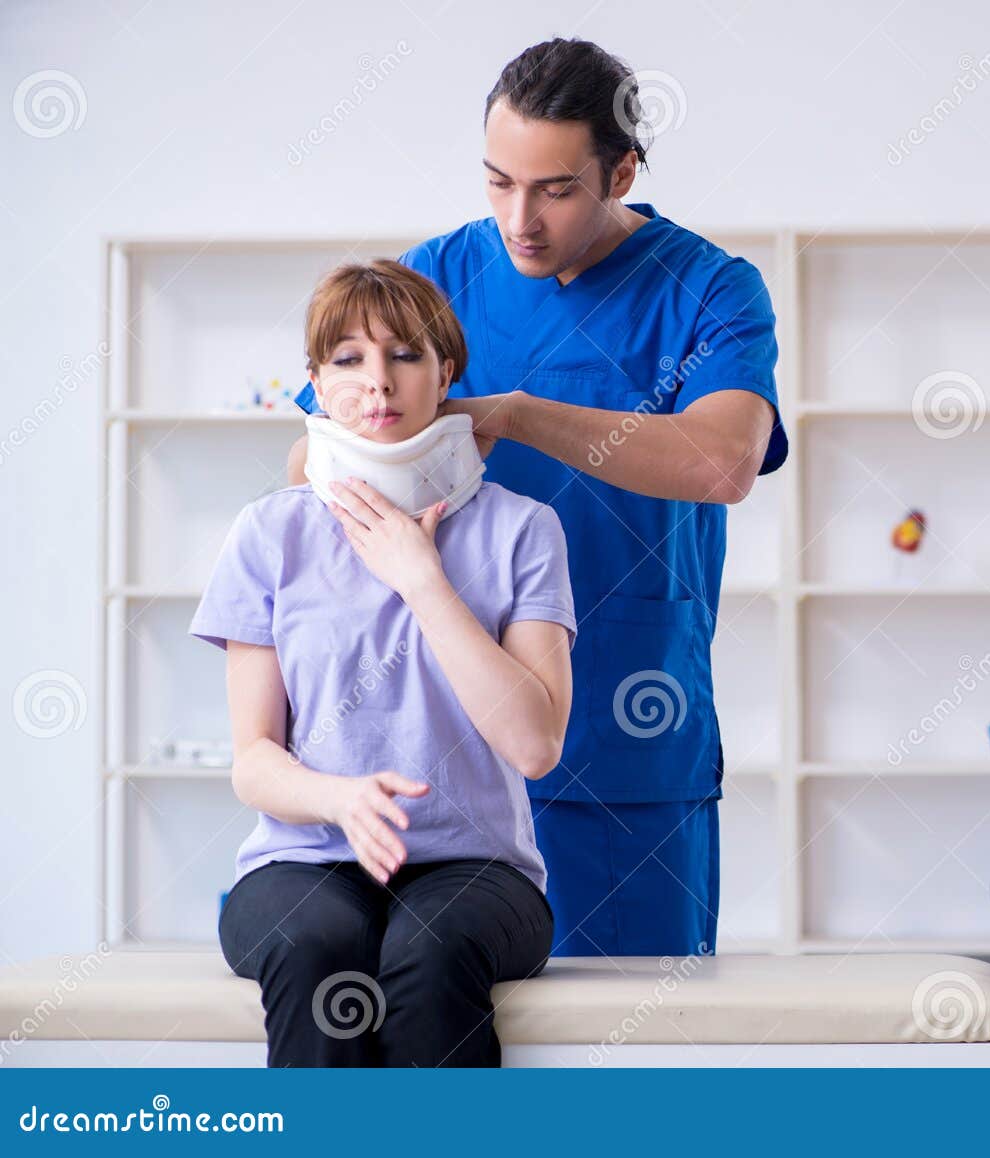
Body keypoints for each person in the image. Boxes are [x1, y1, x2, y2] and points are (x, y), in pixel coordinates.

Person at [286, 39, 784, 958]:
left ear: (622, 171)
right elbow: (308, 462)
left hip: (624, 728)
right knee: (442, 1036)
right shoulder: (433, 275)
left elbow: (723, 462)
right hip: (436, 744)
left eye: (555, 189)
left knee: (632, 1046)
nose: (521, 218)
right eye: (498, 182)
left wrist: (517, 415)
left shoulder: (710, 288)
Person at [193, 260, 576, 1066]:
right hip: (303, 860)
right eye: (348, 360)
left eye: (405, 354)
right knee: (315, 950)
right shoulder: (269, 534)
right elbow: (255, 762)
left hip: (477, 869)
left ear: (447, 374)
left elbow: (536, 746)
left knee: (428, 953)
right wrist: (342, 799)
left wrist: (423, 581)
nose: (379, 384)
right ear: (315, 386)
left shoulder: (523, 530)